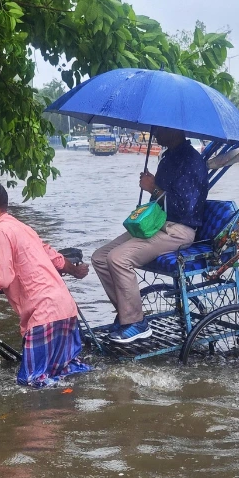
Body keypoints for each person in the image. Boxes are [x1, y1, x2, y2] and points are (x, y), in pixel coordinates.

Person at [0, 182, 92, 387]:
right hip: (64, 308)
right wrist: (74, 271)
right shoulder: (19, 226)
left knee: (31, 383)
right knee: (64, 373)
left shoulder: (0, 231)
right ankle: (75, 402)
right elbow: (51, 255)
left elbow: (2, 280)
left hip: (44, 313)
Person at [92, 126, 207, 344]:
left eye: (160, 129)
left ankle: (137, 323)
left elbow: (185, 209)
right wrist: (152, 188)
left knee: (118, 259)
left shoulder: (192, 161)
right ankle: (127, 314)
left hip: (178, 230)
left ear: (174, 130)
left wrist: (153, 187)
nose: (155, 133)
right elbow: (159, 200)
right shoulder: (167, 158)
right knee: (100, 257)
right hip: (156, 223)